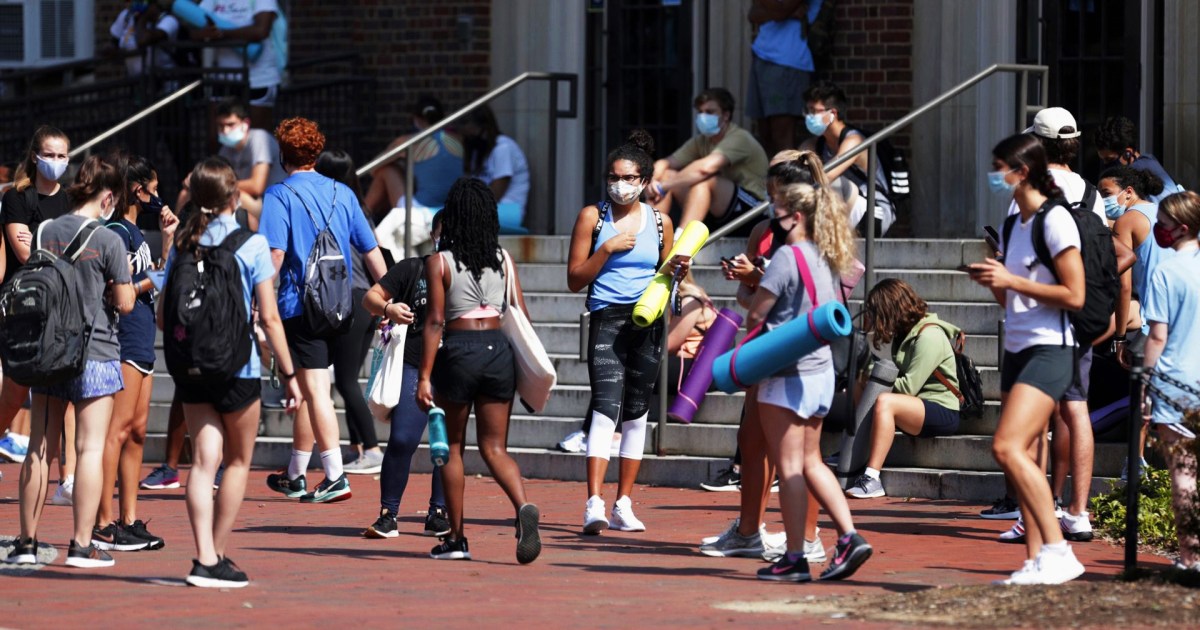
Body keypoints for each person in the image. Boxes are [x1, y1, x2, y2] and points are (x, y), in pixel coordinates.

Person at [163, 156, 301, 588]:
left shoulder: (183, 243)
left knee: (203, 462)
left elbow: (163, 316)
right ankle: (216, 555)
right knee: (238, 461)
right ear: (234, 196)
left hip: (191, 367)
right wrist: (290, 374)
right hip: (238, 367)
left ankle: (203, 553)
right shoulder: (253, 244)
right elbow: (271, 318)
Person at [742, 149, 872, 582]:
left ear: (795, 215)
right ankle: (850, 535)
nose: (773, 213)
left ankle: (795, 556)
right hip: (819, 372)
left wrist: (746, 295)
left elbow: (756, 314)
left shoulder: (785, 257)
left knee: (790, 467)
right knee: (813, 462)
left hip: (785, 373)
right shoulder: (827, 255)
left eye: (779, 209)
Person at [699, 151, 833, 562]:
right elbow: (749, 299)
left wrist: (760, 279)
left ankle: (809, 538)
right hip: (765, 346)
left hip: (801, 352)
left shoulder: (819, 234)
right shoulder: (764, 230)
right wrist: (746, 279)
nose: (770, 202)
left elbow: (814, 292)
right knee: (751, 441)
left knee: (800, 454)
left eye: (775, 194)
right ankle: (748, 531)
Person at [966, 133, 1087, 585]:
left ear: (1023, 171)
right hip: (1017, 347)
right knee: (1026, 458)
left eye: (1001, 167)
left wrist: (1011, 281)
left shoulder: (1056, 221)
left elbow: (1075, 294)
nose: (995, 176)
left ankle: (1059, 549)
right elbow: (1011, 300)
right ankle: (1036, 559)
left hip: (1050, 350)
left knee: (1006, 446)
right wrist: (995, 281)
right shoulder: (1016, 223)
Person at [5, 156, 135, 569]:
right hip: (95, 351)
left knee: (39, 450)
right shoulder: (111, 239)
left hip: (48, 351)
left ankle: (27, 542)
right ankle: (81, 545)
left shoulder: (45, 230)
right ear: (108, 197)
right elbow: (125, 301)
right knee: (90, 449)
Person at [259, 117, 388, 504]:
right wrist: (390, 294)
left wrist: (257, 298)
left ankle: (334, 474)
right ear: (316, 152)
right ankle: (296, 473)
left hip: (301, 307)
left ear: (284, 155)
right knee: (311, 387)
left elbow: (276, 255)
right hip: (342, 303)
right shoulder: (343, 193)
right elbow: (371, 250)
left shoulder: (279, 195)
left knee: (314, 389)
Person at [416, 177, 541, 563]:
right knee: (495, 447)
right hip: (498, 352)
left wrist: (424, 375)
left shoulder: (439, 262)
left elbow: (435, 321)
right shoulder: (504, 259)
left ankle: (456, 538)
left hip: (459, 350)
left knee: (452, 448)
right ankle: (522, 506)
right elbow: (520, 313)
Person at [567, 131, 683, 536]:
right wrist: (606, 250)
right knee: (604, 408)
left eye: (630, 178)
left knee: (637, 414)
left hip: (647, 322)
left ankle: (624, 503)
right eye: (614, 177)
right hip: (607, 318)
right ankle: (593, 502)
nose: (621, 184)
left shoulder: (661, 221)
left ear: (644, 181)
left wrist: (678, 271)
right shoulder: (592, 217)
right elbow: (573, 279)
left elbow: (666, 274)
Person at [92, 154, 176, 553]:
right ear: (136, 188)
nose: (156, 196)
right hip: (122, 338)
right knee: (117, 431)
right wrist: (151, 279)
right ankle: (103, 521)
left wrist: (169, 239)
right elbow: (118, 289)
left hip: (142, 339)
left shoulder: (136, 231)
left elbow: (153, 275)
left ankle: (129, 517)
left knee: (138, 432)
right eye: (152, 189)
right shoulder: (114, 230)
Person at [1, 126, 79, 506]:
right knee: (15, 393)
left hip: (61, 307)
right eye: (50, 154)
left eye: (63, 155)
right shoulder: (17, 198)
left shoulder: (70, 200)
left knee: (64, 390)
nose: (57, 162)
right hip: (24, 308)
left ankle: (70, 477)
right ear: (35, 155)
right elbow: (23, 253)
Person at [361, 212, 451, 539]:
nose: (448, 240)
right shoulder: (413, 268)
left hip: (452, 368)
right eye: (443, 233)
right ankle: (388, 513)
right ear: (433, 233)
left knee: (446, 445)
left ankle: (439, 511)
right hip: (412, 364)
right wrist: (388, 309)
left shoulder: (469, 272)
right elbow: (370, 297)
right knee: (402, 439)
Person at [845, 279, 961, 499]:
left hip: (941, 410)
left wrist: (873, 373)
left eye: (878, 312)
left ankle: (872, 478)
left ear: (891, 310)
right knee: (860, 380)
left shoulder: (929, 336)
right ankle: (853, 448)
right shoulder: (906, 334)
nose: (877, 319)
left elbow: (907, 387)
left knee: (885, 401)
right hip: (917, 406)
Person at [1095, 165, 1171, 486]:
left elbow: (1123, 286)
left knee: (1141, 395)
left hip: (1151, 319)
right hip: (1179, 315)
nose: (1103, 201)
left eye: (1106, 194)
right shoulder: (1162, 214)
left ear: (1128, 192)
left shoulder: (1127, 221)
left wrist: (1121, 339)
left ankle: (1134, 470)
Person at [313, 150, 384, 474]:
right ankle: (360, 448)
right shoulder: (360, 208)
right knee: (349, 379)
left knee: (345, 380)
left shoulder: (332, 209)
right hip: (368, 299)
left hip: (350, 298)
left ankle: (371, 448)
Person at [1141, 191, 1200, 571]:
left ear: (1179, 228)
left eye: (1161, 224)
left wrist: (1145, 381)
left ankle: (1191, 556)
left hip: (1176, 382)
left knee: (1183, 475)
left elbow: (1157, 336)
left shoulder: (1165, 272)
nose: (1157, 230)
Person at [645, 87, 769, 234]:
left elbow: (705, 169)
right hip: (718, 211)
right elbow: (665, 163)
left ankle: (682, 239)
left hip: (753, 211)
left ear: (726, 115)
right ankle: (653, 234)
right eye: (700, 112)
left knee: (707, 181)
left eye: (709, 112)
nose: (703, 117)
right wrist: (652, 182)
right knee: (666, 174)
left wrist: (663, 186)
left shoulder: (740, 137)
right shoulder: (702, 141)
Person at [800, 81, 895, 236]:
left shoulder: (854, 141)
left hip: (875, 211)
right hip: (844, 211)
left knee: (833, 183)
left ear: (833, 113)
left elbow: (827, 176)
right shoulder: (814, 144)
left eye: (814, 111)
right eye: (807, 110)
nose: (809, 117)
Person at [178, 100, 287, 230]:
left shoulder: (259, 138)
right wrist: (197, 180)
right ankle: (177, 236)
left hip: (271, 205)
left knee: (235, 195)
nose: (225, 130)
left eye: (230, 124)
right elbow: (216, 177)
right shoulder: (225, 149)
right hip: (246, 202)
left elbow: (257, 186)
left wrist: (205, 182)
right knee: (187, 193)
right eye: (220, 125)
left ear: (245, 123)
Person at [746, 0, 825, 157]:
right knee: (765, 133)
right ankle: (774, 179)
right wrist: (780, 10)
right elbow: (753, 14)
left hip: (787, 62)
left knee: (782, 134)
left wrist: (774, 10)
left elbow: (782, 10)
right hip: (762, 58)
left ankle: (788, 180)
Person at [365, 96, 465, 215]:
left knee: (386, 170)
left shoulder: (410, 142)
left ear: (417, 119)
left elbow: (373, 168)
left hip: (423, 212)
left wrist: (399, 164)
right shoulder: (458, 140)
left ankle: (361, 217)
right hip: (453, 210)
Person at [194, 0, 282, 129]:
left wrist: (223, 34)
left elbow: (261, 31)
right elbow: (193, 26)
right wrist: (203, 34)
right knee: (217, 138)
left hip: (257, 79)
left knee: (255, 137)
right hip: (222, 79)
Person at [461, 105, 529, 234]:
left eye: (469, 130)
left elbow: (496, 192)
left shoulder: (503, 147)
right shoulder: (481, 151)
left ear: (482, 127)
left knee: (456, 216)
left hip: (508, 210)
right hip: (486, 209)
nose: (466, 135)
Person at [1095, 116, 1184, 204]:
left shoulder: (1137, 171)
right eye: (1103, 159)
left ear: (1128, 153)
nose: (1106, 164)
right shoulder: (1148, 160)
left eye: (1110, 159)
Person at [107, 1, 180, 78]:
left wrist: (143, 17)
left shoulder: (168, 21)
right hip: (135, 82)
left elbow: (143, 40)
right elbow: (115, 42)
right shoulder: (126, 16)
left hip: (163, 82)